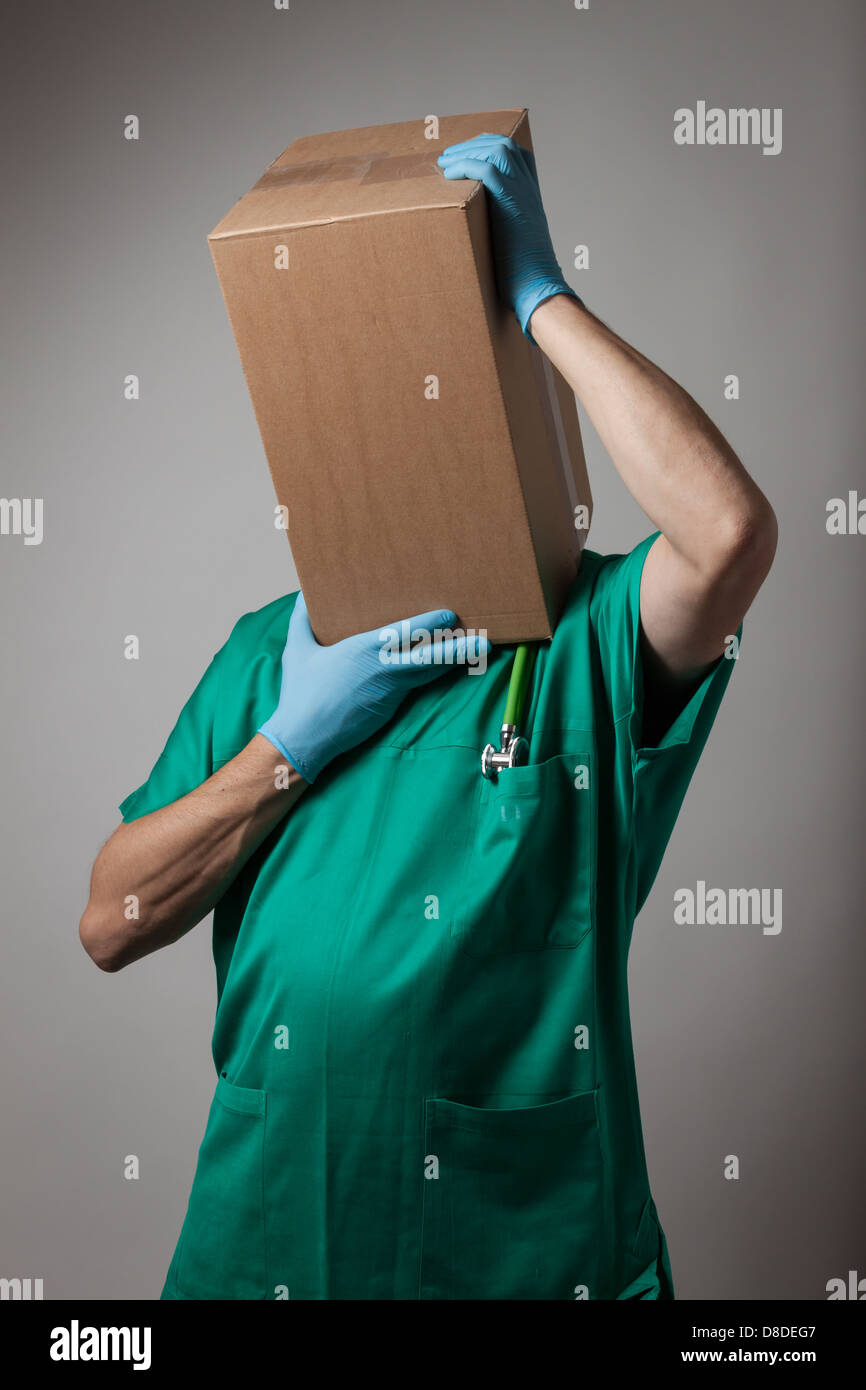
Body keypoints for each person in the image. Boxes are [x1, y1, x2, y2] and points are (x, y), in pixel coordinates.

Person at [79, 133, 777, 1300]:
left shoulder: (586, 636)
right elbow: (112, 918)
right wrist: (286, 745)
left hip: (509, 1246)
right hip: (271, 1234)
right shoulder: (269, 655)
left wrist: (539, 294)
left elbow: (726, 534)